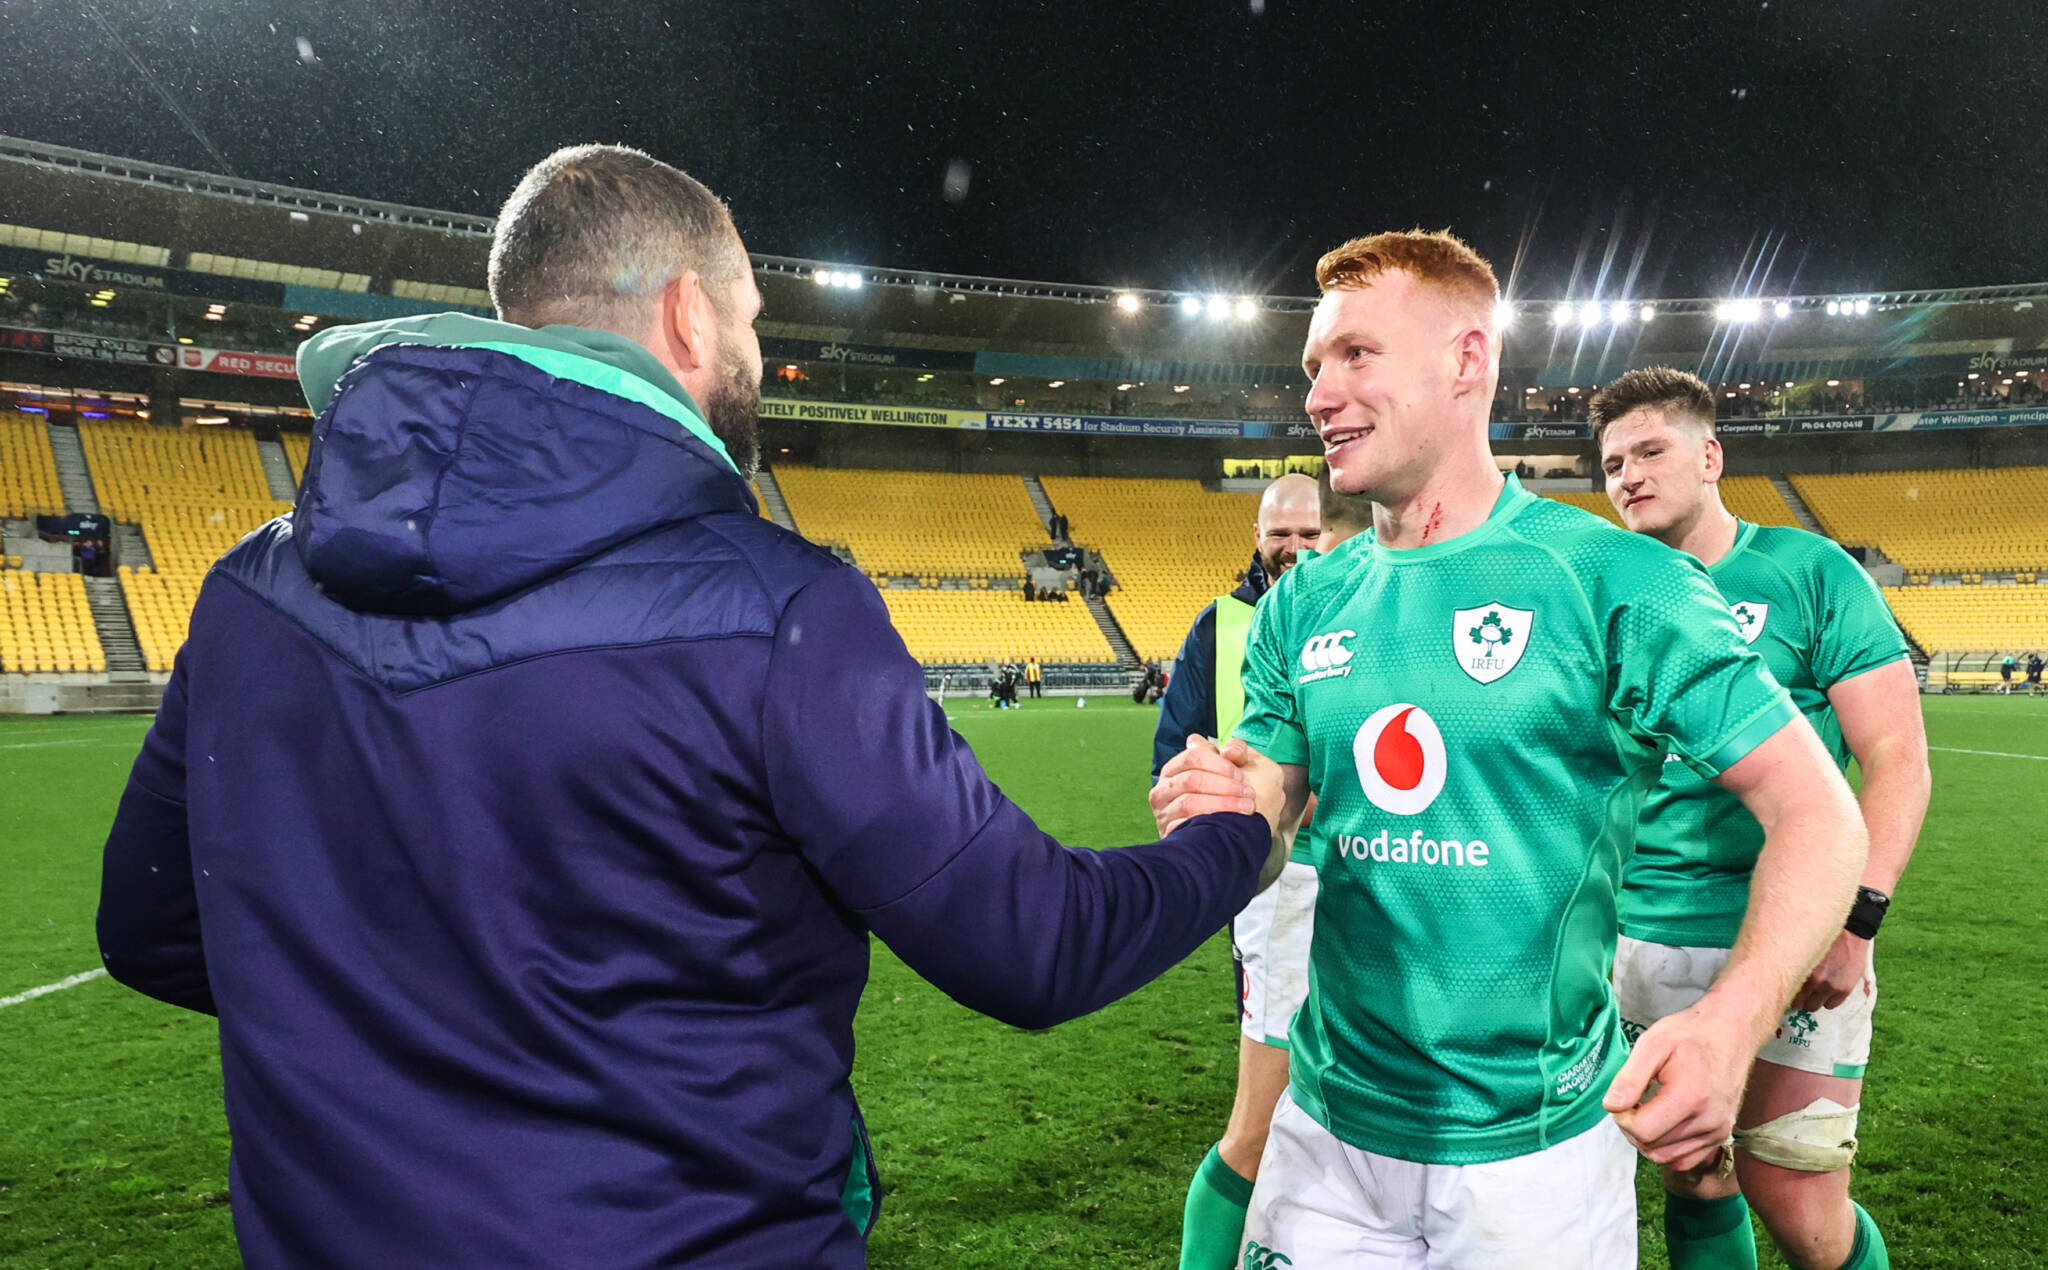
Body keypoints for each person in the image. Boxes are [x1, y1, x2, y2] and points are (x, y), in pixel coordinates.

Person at [95, 144, 1291, 1270]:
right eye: (756, 322)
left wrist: (417, 1025)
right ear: (686, 313)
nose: (761, 359)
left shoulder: (250, 588)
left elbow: (150, 932)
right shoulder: (776, 609)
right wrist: (1236, 839)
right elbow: (1033, 944)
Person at [1152, 229, 1868, 1269]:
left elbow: (1818, 813)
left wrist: (1728, 1019)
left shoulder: (1616, 582)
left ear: (1465, 360)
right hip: (1323, 1137)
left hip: (1531, 1165)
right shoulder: (1304, 597)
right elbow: (1270, 809)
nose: (1317, 393)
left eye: (1355, 354)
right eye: (1312, 366)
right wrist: (1224, 806)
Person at [1595, 368, 1929, 1270]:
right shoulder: (1606, 592)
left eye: (1650, 450)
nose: (1628, 474)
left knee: (1796, 1197)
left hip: (1792, 936)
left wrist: (1856, 916)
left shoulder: (1810, 573)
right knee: (1691, 1169)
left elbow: (1898, 756)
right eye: (1614, 460)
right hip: (1642, 938)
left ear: (1711, 455)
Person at [1173, 465, 1375, 1270]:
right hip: (1285, 884)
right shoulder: (1262, 626)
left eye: (1313, 537)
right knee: (1261, 1127)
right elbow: (1213, 759)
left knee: (1346, 1125)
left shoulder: (1379, 610)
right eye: (1283, 537)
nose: (1299, 554)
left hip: (1377, 885)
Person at [1151, 473, 1322, 778]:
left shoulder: (1362, 613)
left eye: (1310, 534)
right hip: (1244, 818)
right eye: (1279, 534)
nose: (1295, 548)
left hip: (1343, 822)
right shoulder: (1214, 624)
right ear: (1257, 535)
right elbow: (1177, 743)